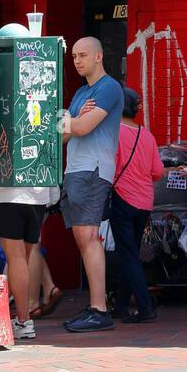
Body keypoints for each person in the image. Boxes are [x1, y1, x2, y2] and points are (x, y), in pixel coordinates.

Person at [59, 37, 124, 333]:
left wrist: (69, 120)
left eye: (83, 55)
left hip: (92, 168)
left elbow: (81, 127)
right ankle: (96, 306)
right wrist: (72, 121)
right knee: (82, 238)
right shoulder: (81, 92)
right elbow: (62, 135)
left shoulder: (108, 87)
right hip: (76, 169)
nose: (77, 61)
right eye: (74, 56)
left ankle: (99, 308)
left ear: (99, 56)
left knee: (88, 236)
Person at [110, 88, 163, 323]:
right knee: (128, 253)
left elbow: (110, 166)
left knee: (129, 254)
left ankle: (144, 307)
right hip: (144, 203)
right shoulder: (147, 135)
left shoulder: (114, 133)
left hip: (122, 198)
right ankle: (121, 305)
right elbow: (158, 172)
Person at [0, 185, 55, 341]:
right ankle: (11, 317)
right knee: (22, 259)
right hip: (38, 194)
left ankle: (23, 320)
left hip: (7, 193)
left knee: (16, 258)